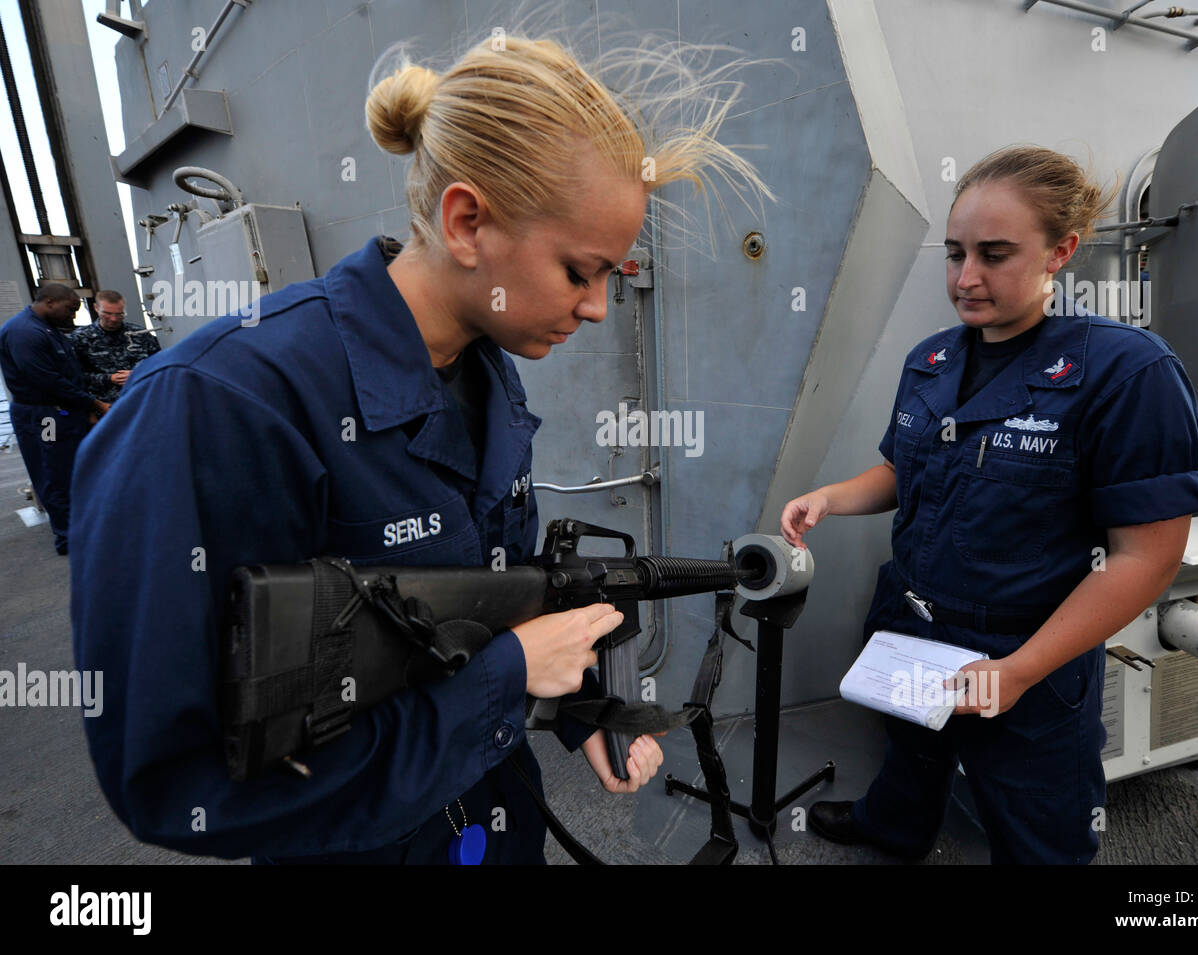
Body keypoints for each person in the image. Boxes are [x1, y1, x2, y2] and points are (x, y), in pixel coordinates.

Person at [70, 33, 768, 864]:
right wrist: (503, 682)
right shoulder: (214, 406)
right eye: (581, 272)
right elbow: (173, 783)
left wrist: (575, 706)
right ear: (467, 221)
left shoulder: (487, 374)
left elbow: (491, 598)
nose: (596, 310)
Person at [781, 146, 1198, 865]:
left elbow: (1147, 556)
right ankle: (893, 826)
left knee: (1039, 823)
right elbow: (903, 467)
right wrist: (831, 496)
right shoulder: (932, 360)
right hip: (914, 620)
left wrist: (1019, 670)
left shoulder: (1129, 373)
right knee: (913, 749)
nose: (966, 278)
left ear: (1062, 250)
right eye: (954, 254)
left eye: (994, 253)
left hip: (1027, 651)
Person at [0, 284, 111, 555]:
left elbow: (69, 374)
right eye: (71, 309)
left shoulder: (48, 330)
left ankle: (85, 530)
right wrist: (95, 404)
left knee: (76, 470)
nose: (74, 316)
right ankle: (68, 540)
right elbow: (48, 380)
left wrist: (85, 410)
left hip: (64, 412)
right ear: (49, 302)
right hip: (44, 417)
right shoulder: (24, 333)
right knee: (54, 475)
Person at [71, 289, 161, 402]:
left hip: (144, 399)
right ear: (96, 308)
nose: (113, 319)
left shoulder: (140, 334)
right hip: (107, 405)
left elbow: (160, 365)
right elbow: (74, 376)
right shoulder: (81, 338)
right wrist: (109, 378)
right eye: (107, 313)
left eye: (119, 314)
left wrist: (140, 373)